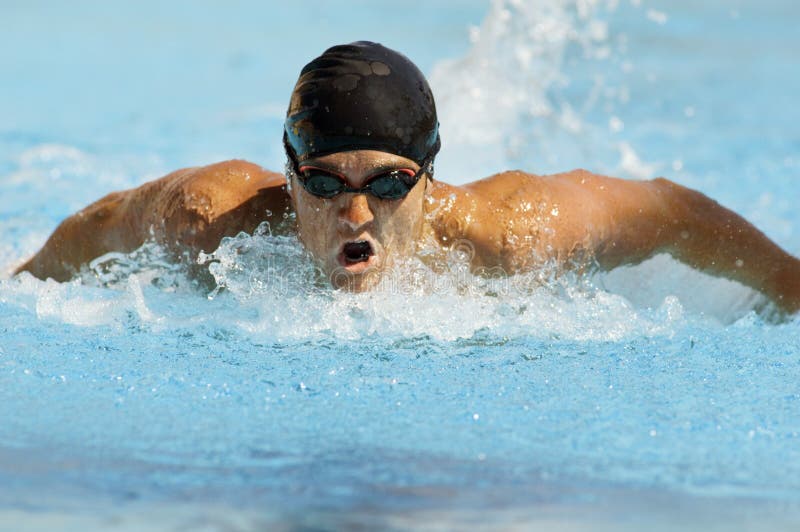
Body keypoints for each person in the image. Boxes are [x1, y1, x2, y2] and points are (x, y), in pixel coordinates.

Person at [14, 42, 800, 313]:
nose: (356, 212)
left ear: (428, 176)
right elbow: (96, 227)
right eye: (326, 183)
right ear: (288, 174)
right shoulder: (209, 221)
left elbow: (668, 210)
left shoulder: (511, 236)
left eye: (388, 184)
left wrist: (790, 286)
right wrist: (20, 286)